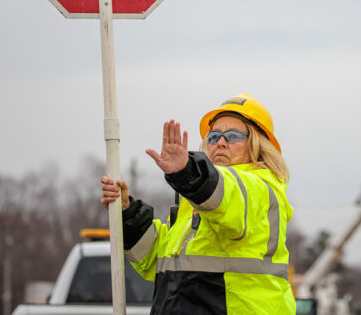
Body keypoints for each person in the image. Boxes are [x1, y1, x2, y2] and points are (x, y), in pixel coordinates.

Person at [100, 93, 295, 315]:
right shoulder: (198, 202)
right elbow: (156, 261)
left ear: (257, 145)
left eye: (233, 136)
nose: (220, 143)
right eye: (214, 136)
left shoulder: (260, 189)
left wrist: (187, 172)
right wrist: (127, 211)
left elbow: (228, 192)